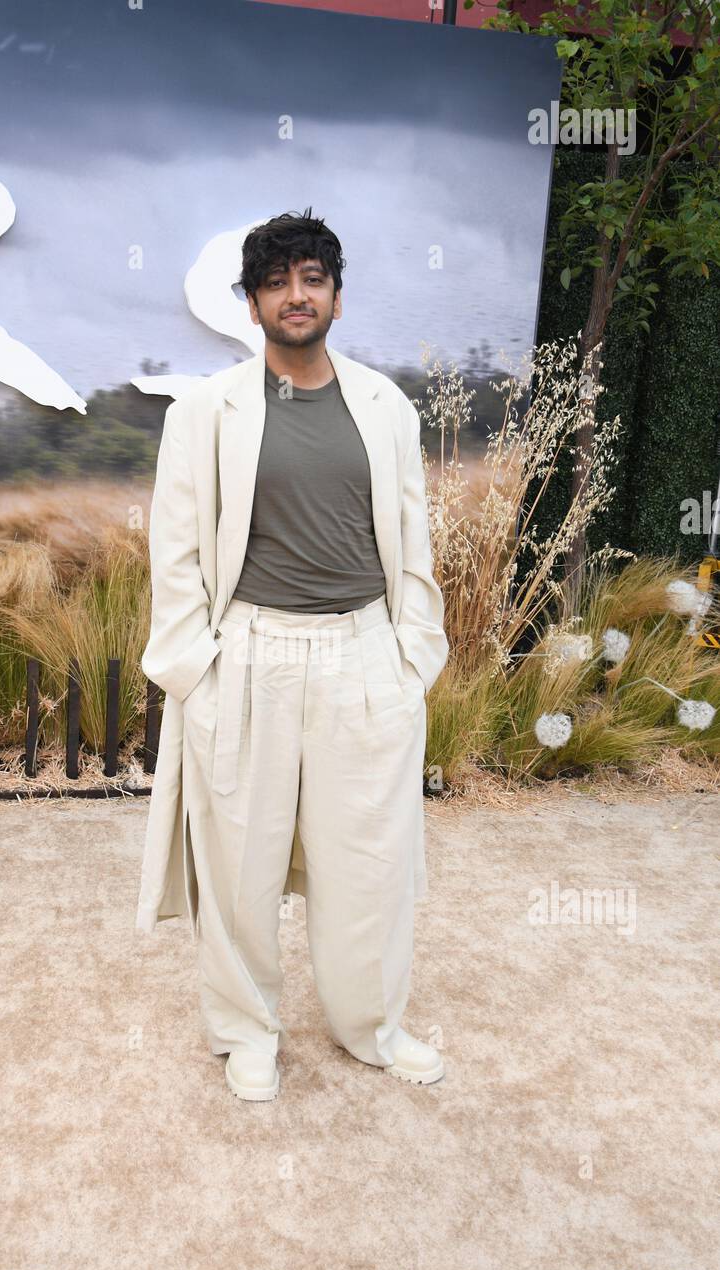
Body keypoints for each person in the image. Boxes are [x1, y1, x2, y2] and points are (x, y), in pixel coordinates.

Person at [136, 208, 449, 1101]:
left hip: (364, 661)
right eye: (276, 282)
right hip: (250, 660)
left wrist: (412, 657)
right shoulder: (204, 411)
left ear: (338, 299)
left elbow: (413, 543)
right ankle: (247, 1032)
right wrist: (196, 670)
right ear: (252, 303)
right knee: (240, 864)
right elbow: (177, 555)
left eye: (312, 278)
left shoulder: (387, 406)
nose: (295, 295)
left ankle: (372, 1028)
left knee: (371, 861)